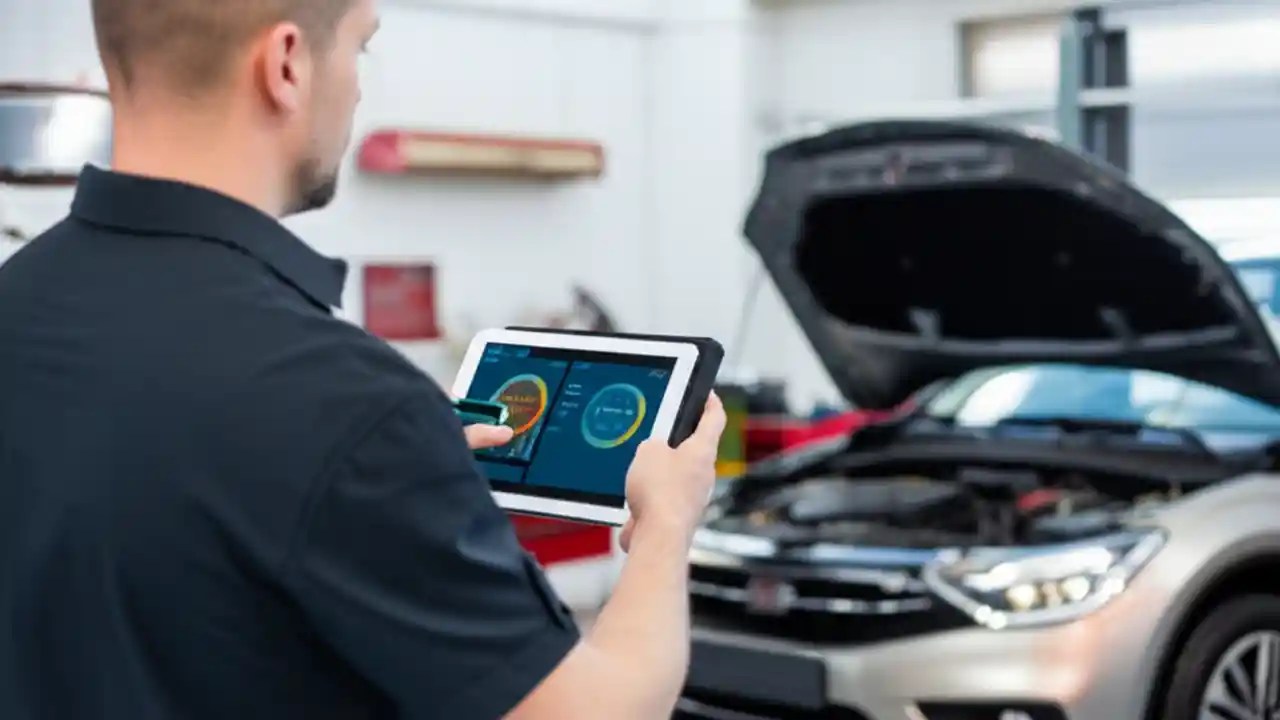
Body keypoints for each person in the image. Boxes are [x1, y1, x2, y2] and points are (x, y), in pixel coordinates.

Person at [0, 0, 726, 718]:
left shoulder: (18, 299)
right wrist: (666, 523)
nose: (355, 84)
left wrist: (388, 473)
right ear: (285, 64)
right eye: (360, 48)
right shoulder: (345, 405)